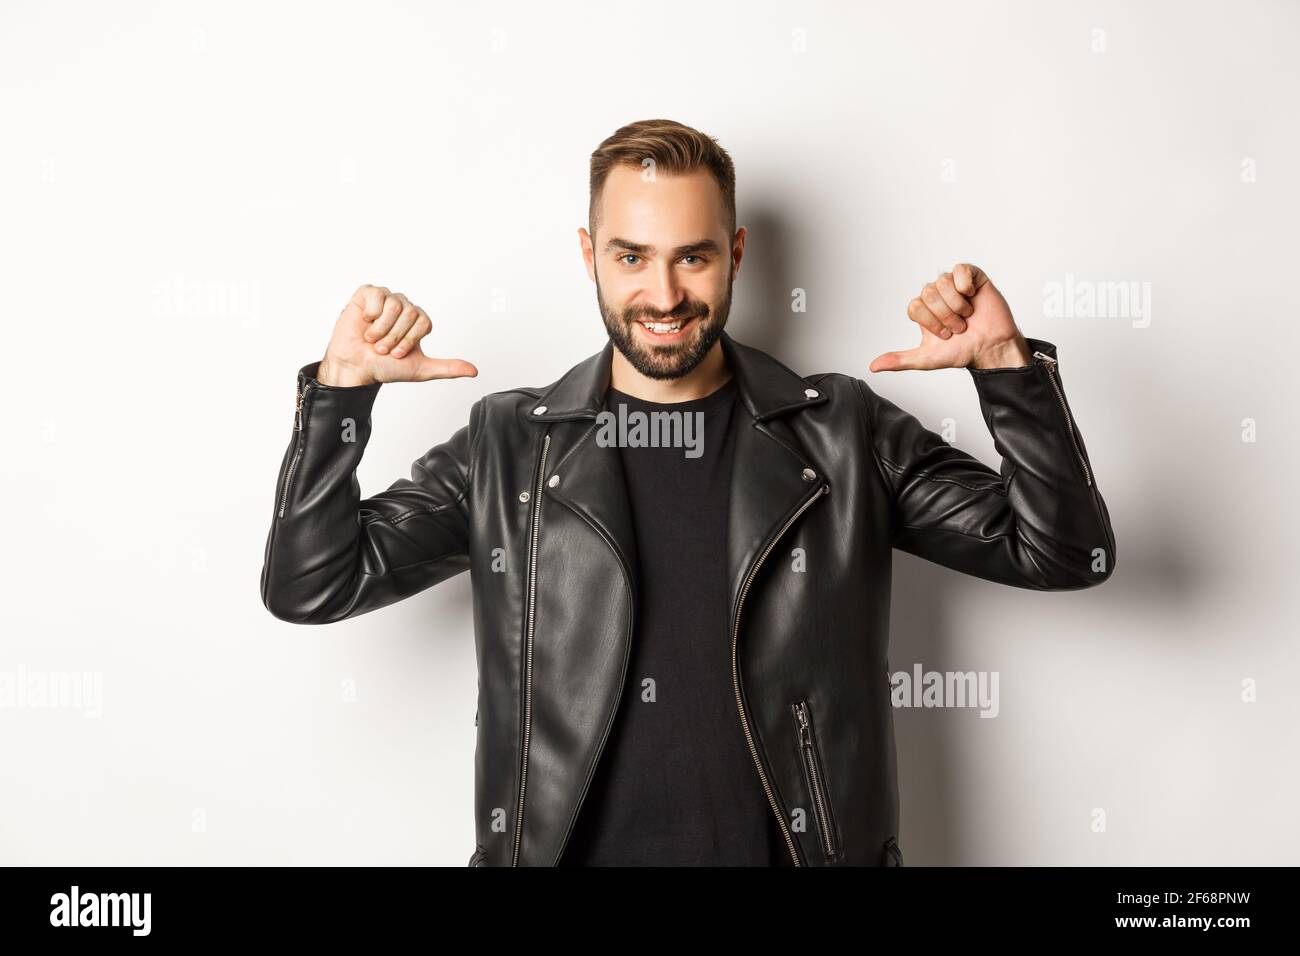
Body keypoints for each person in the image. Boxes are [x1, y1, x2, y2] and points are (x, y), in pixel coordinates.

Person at [260, 118, 1116, 867]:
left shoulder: (842, 433)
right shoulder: (508, 446)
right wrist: (341, 396)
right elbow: (312, 583)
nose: (663, 296)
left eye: (693, 257)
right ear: (590, 254)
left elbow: (1065, 553)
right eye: (631, 257)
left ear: (735, 252)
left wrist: (1008, 374)